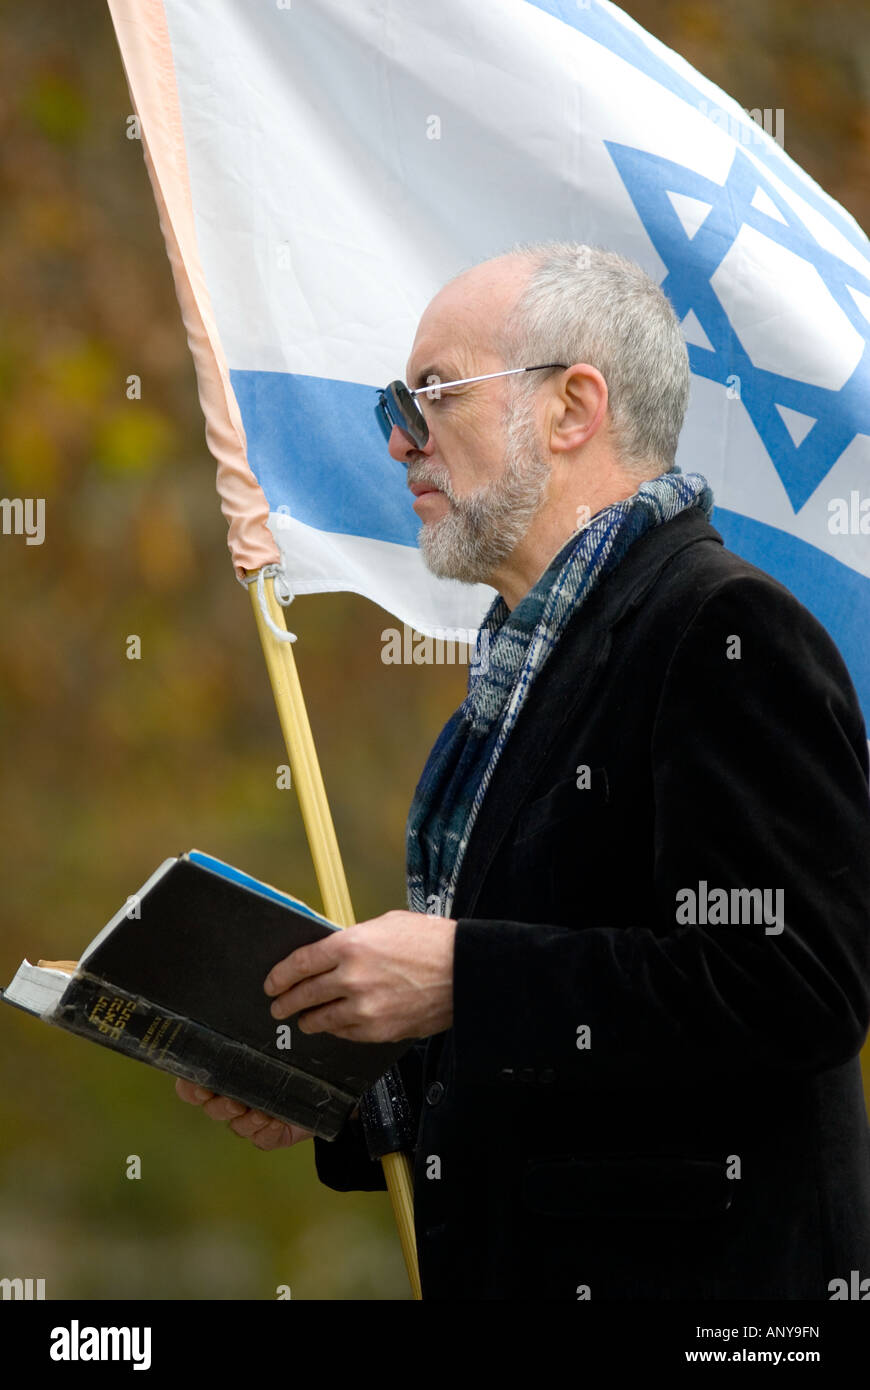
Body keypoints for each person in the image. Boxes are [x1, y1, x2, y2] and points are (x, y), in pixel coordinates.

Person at [177, 242, 870, 1301]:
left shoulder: (724, 631)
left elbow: (794, 987)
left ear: (573, 408)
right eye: (394, 406)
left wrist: (463, 972)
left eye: (436, 393)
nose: (403, 440)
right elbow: (551, 1042)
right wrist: (339, 1092)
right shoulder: (521, 666)